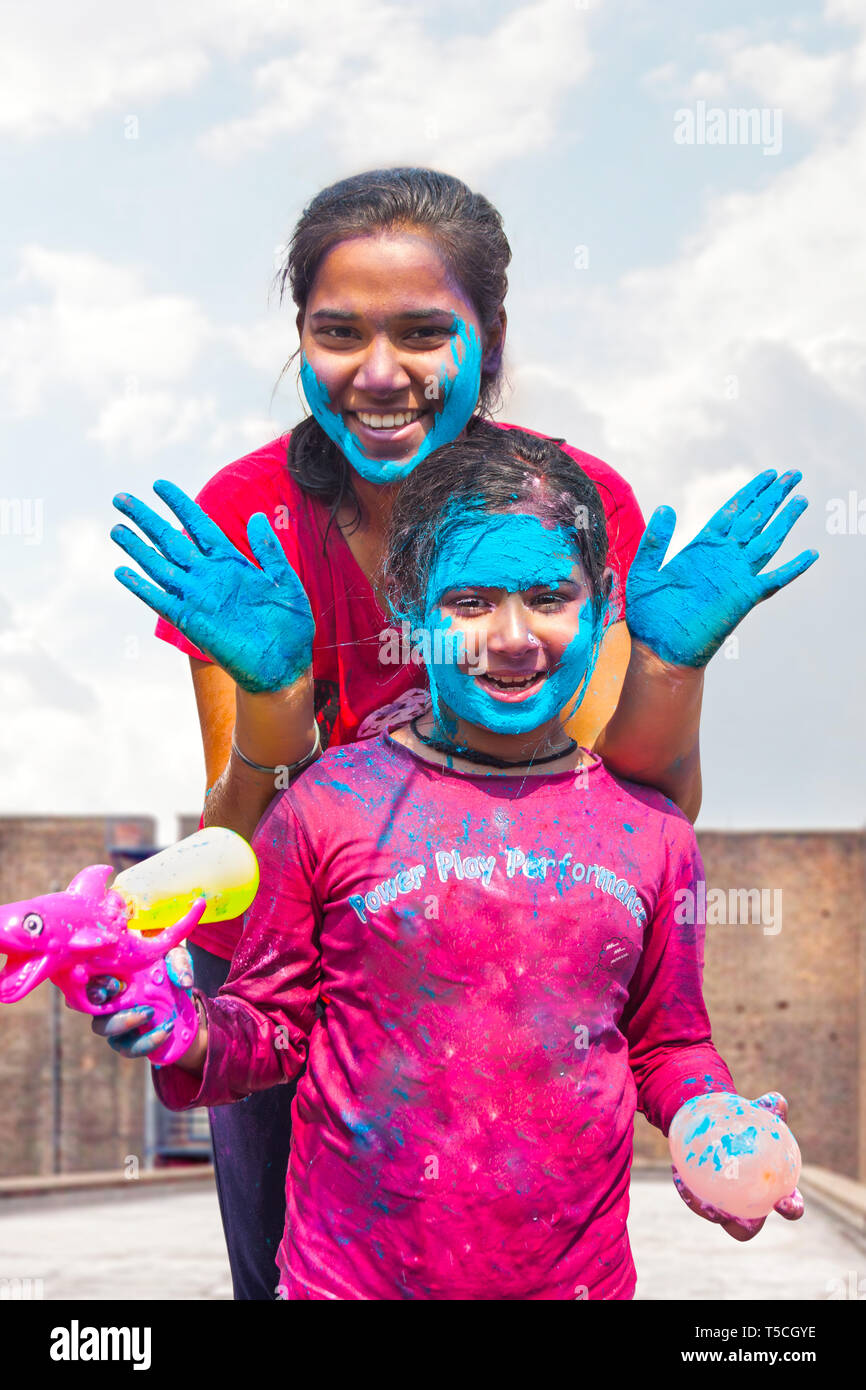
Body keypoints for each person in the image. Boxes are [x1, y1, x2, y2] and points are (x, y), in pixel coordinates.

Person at [108, 167, 808, 1297]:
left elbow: (619, 812)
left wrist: (670, 666)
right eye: (338, 333)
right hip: (291, 939)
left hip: (504, 935)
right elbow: (235, 861)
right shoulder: (247, 515)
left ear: (491, 337)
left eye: (425, 331)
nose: (379, 373)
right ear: (300, 339)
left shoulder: (568, 505)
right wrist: (279, 695)